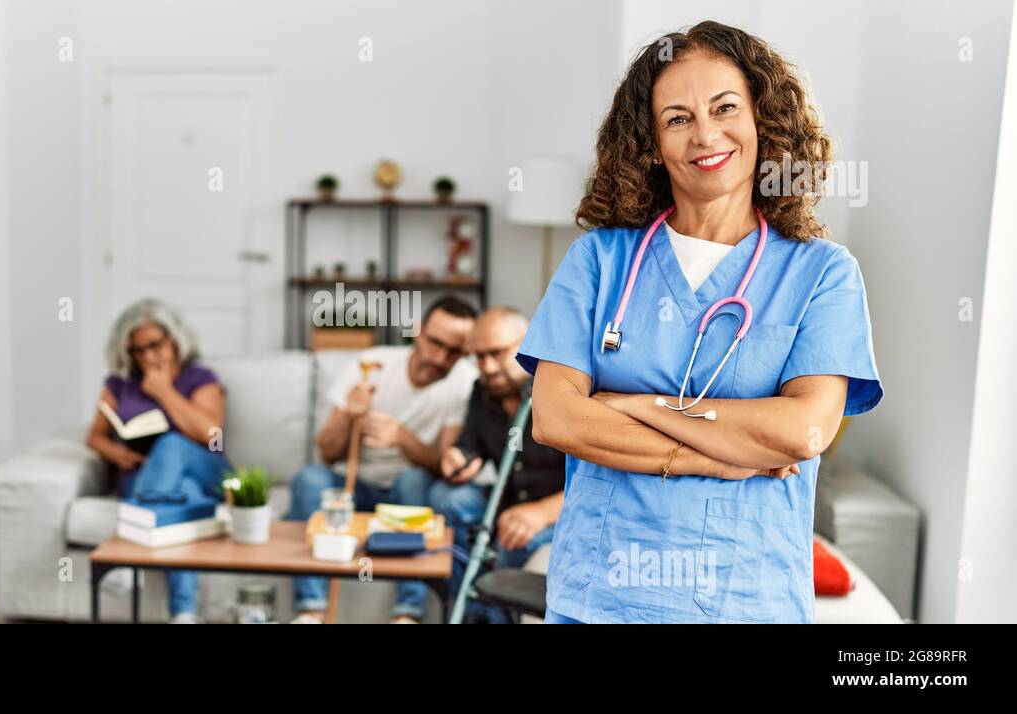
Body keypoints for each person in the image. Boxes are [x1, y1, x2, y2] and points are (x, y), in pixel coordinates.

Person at [520, 21, 883, 624]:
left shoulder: (822, 274)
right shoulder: (601, 259)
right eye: (678, 118)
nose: (705, 134)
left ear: (763, 119)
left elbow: (802, 433)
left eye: (725, 108)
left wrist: (635, 405)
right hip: (601, 598)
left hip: (747, 602)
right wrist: (719, 456)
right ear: (651, 142)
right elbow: (556, 417)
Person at [284, 295, 478, 624]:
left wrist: (404, 439)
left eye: (454, 351)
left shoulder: (463, 381)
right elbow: (327, 453)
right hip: (354, 487)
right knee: (310, 479)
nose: (440, 358)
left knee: (414, 480)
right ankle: (311, 609)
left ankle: (407, 614)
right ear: (417, 332)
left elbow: (442, 465)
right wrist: (348, 414)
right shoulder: (370, 364)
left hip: (406, 495)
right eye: (435, 343)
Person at [86, 299, 229, 624]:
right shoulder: (119, 384)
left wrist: (164, 392)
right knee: (186, 495)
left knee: (172, 446)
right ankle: (183, 614)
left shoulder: (200, 377)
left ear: (175, 339)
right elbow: (95, 437)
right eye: (138, 350)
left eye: (155, 345)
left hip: (209, 470)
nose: (148, 357)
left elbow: (214, 435)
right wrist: (116, 453)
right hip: (147, 477)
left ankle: (129, 549)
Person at [430, 306, 565, 623]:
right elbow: (468, 446)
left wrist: (540, 513)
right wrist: (458, 459)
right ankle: (468, 606)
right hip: (505, 502)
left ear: (529, 341)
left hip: (556, 509)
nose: (487, 367)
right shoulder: (482, 391)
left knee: (514, 538)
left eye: (497, 353)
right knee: (444, 498)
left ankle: (491, 615)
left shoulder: (561, 391)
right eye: (478, 356)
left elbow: (595, 478)